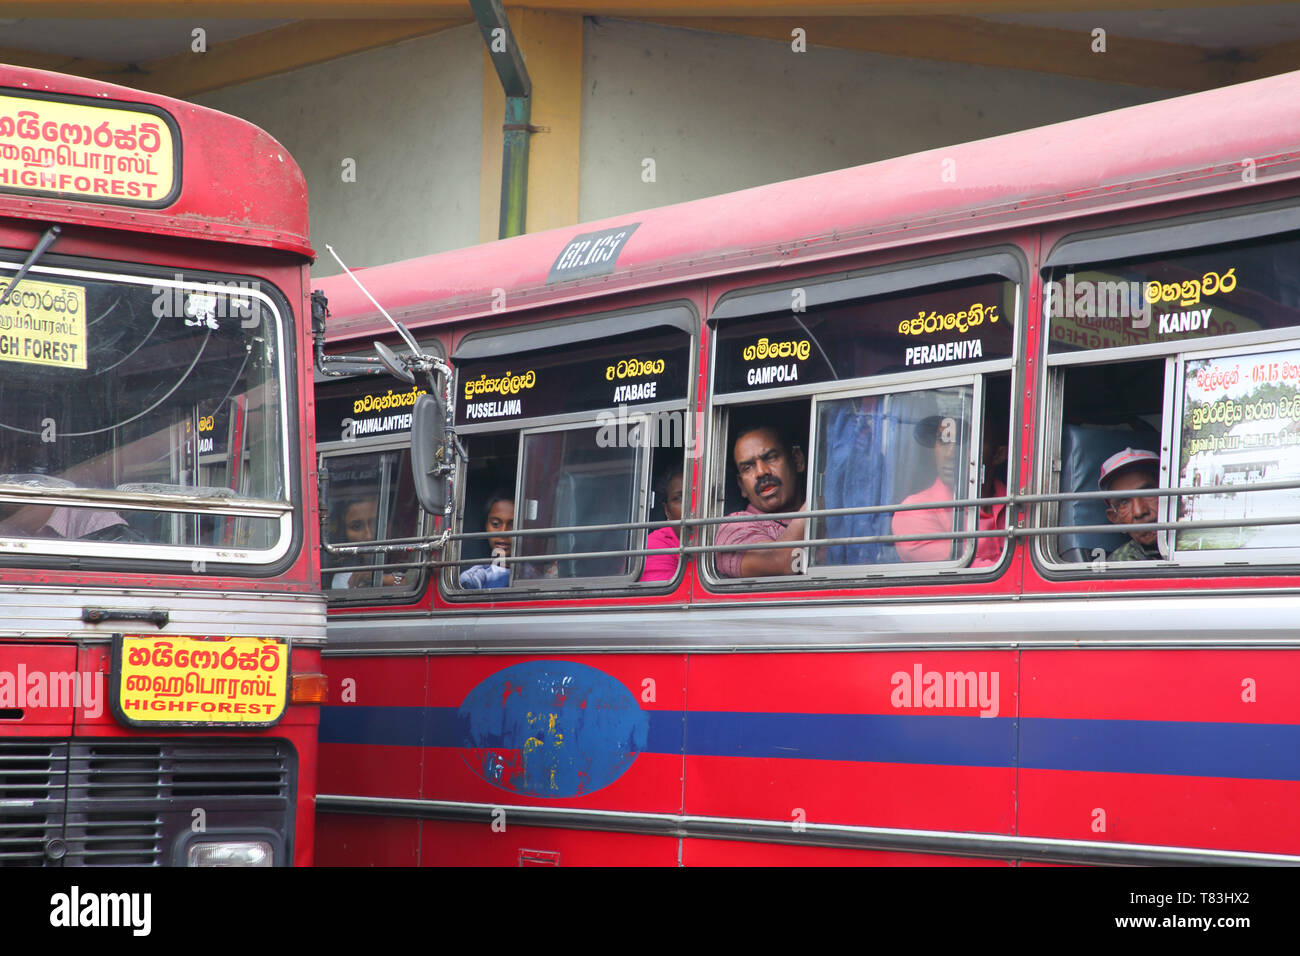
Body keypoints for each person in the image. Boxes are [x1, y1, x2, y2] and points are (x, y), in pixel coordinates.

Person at [892, 412, 1008, 566]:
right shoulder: (913, 511)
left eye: (966, 442)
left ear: (998, 455)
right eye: (944, 441)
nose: (950, 454)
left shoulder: (1019, 504)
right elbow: (969, 571)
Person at [715, 425, 808, 578]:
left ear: (797, 460)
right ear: (741, 486)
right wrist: (820, 498)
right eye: (748, 467)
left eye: (770, 458)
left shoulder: (838, 515)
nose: (761, 472)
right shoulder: (734, 527)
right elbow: (780, 562)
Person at [1100, 448, 1161, 561]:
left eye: (1147, 493)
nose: (1139, 511)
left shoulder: (1199, 544)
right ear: (1116, 519)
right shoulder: (1118, 565)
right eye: (1124, 502)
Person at [330, 497, 403, 588]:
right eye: (356, 526)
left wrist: (382, 579)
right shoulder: (343, 578)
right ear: (344, 532)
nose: (368, 535)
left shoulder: (415, 559)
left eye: (376, 523)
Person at [459, 492, 514, 589]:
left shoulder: (534, 573)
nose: (503, 532)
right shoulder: (475, 578)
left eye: (512, 525)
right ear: (486, 526)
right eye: (496, 524)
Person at [641, 464, 683, 582]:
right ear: (667, 511)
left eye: (697, 494)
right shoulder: (654, 546)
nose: (691, 505)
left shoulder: (727, 532)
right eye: (678, 498)